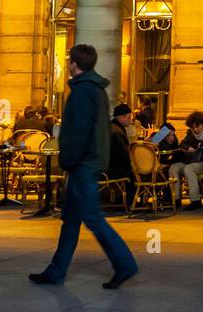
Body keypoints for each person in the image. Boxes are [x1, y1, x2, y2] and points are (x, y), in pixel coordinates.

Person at [30, 45, 138, 289]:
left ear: (73, 64)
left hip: (82, 163)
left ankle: (124, 265)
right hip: (89, 160)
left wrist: (68, 160)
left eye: (69, 60)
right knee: (71, 219)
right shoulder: (96, 90)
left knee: (93, 218)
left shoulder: (81, 91)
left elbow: (78, 130)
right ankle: (56, 270)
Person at [106, 102, 135, 195]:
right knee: (140, 173)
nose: (130, 120)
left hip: (105, 167)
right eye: (128, 117)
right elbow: (124, 155)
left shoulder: (111, 127)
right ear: (121, 117)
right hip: (113, 169)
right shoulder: (117, 132)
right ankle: (131, 201)